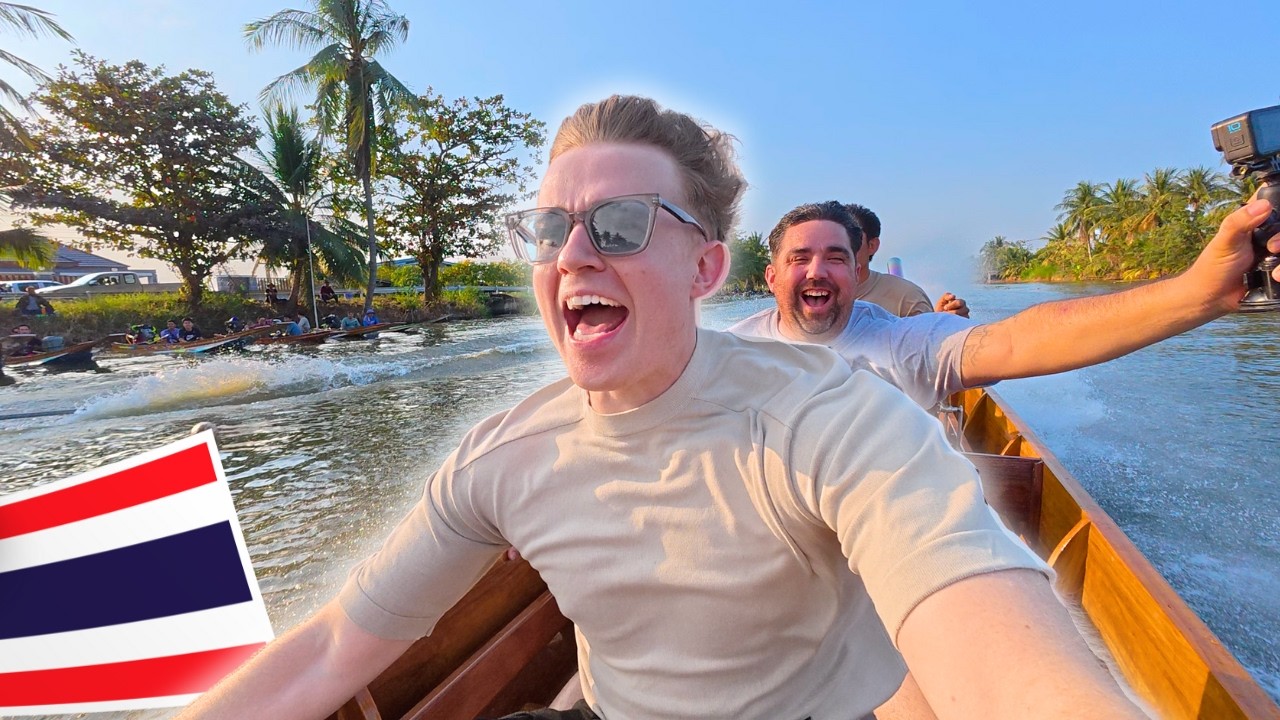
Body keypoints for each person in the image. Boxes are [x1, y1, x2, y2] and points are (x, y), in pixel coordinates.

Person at [179, 96, 1147, 720]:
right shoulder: (503, 456)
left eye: (620, 224)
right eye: (553, 228)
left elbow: (978, 629)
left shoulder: (835, 419)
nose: (572, 255)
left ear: (704, 268)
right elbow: (334, 648)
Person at [731, 199, 1280, 412]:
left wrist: (1199, 293)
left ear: (858, 271)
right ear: (772, 275)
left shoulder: (904, 339)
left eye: (834, 258)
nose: (816, 271)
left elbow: (1021, 338)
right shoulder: (733, 350)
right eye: (800, 259)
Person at [842, 203, 968, 318]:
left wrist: (943, 323)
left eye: (852, 239)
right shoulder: (823, 297)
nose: (840, 247)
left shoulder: (907, 298)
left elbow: (930, 339)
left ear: (872, 246)